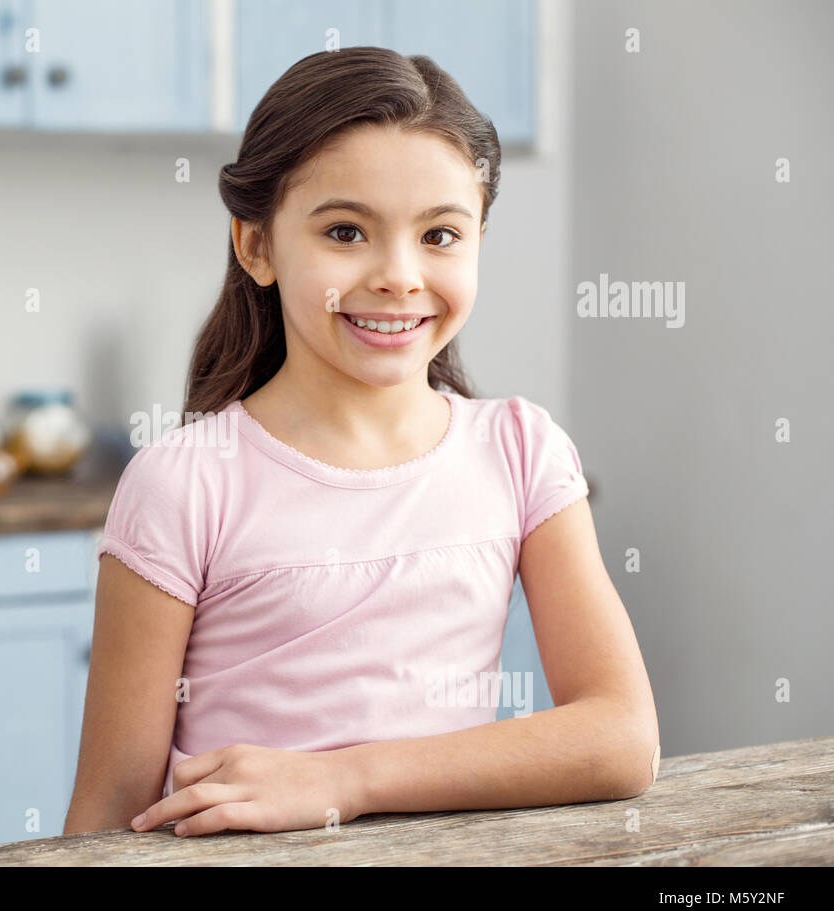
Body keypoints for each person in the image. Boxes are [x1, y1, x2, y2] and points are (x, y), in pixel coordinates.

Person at [64, 47, 659, 839]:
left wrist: (344, 777)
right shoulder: (185, 482)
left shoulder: (521, 452)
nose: (399, 275)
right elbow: (108, 814)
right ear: (257, 247)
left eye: (441, 235)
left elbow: (621, 738)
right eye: (347, 231)